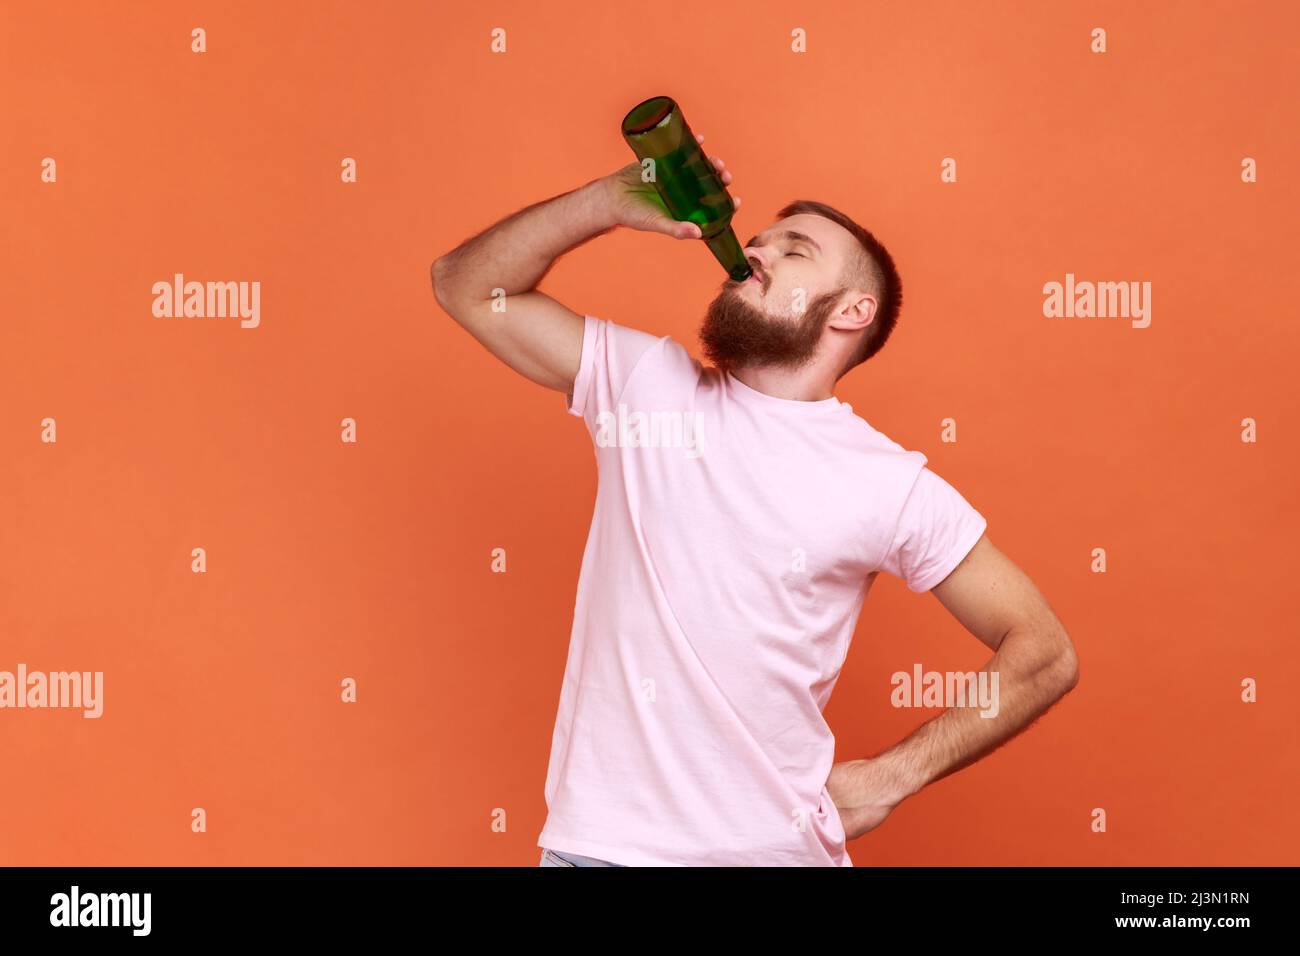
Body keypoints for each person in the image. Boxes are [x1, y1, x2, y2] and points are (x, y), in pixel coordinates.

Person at [431, 132, 1079, 867]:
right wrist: (604, 202)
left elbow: (1044, 651)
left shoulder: (887, 482)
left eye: (794, 250)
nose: (757, 252)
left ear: (851, 311)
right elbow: (464, 284)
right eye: (762, 241)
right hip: (594, 853)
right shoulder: (647, 387)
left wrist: (891, 778)